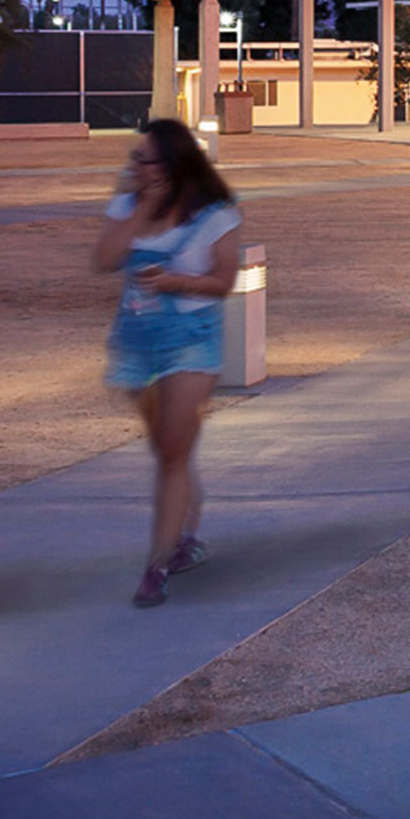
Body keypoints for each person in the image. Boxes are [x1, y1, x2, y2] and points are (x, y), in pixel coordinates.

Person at [92, 118, 245, 607]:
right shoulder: (127, 205)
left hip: (191, 342)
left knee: (173, 455)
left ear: (171, 165)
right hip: (137, 340)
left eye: (144, 158)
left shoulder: (215, 214)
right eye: (134, 158)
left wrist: (179, 282)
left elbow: (224, 281)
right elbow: (104, 259)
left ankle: (156, 567)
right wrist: (143, 209)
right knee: (166, 449)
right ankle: (186, 536)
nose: (133, 165)